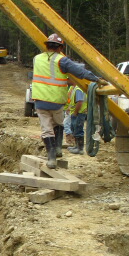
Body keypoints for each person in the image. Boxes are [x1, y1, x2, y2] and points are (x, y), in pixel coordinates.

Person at [32, 34, 98, 168]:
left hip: (39, 100)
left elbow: (48, 75)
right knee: (58, 124)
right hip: (56, 101)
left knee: (46, 129)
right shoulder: (62, 60)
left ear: (47, 45)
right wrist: (97, 79)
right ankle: (57, 149)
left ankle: (51, 159)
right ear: (60, 47)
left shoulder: (37, 59)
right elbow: (80, 72)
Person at [67, 85, 87, 154]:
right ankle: (77, 146)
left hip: (79, 113)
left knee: (78, 130)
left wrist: (75, 112)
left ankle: (80, 148)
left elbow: (80, 102)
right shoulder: (76, 88)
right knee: (75, 129)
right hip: (77, 112)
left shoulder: (79, 89)